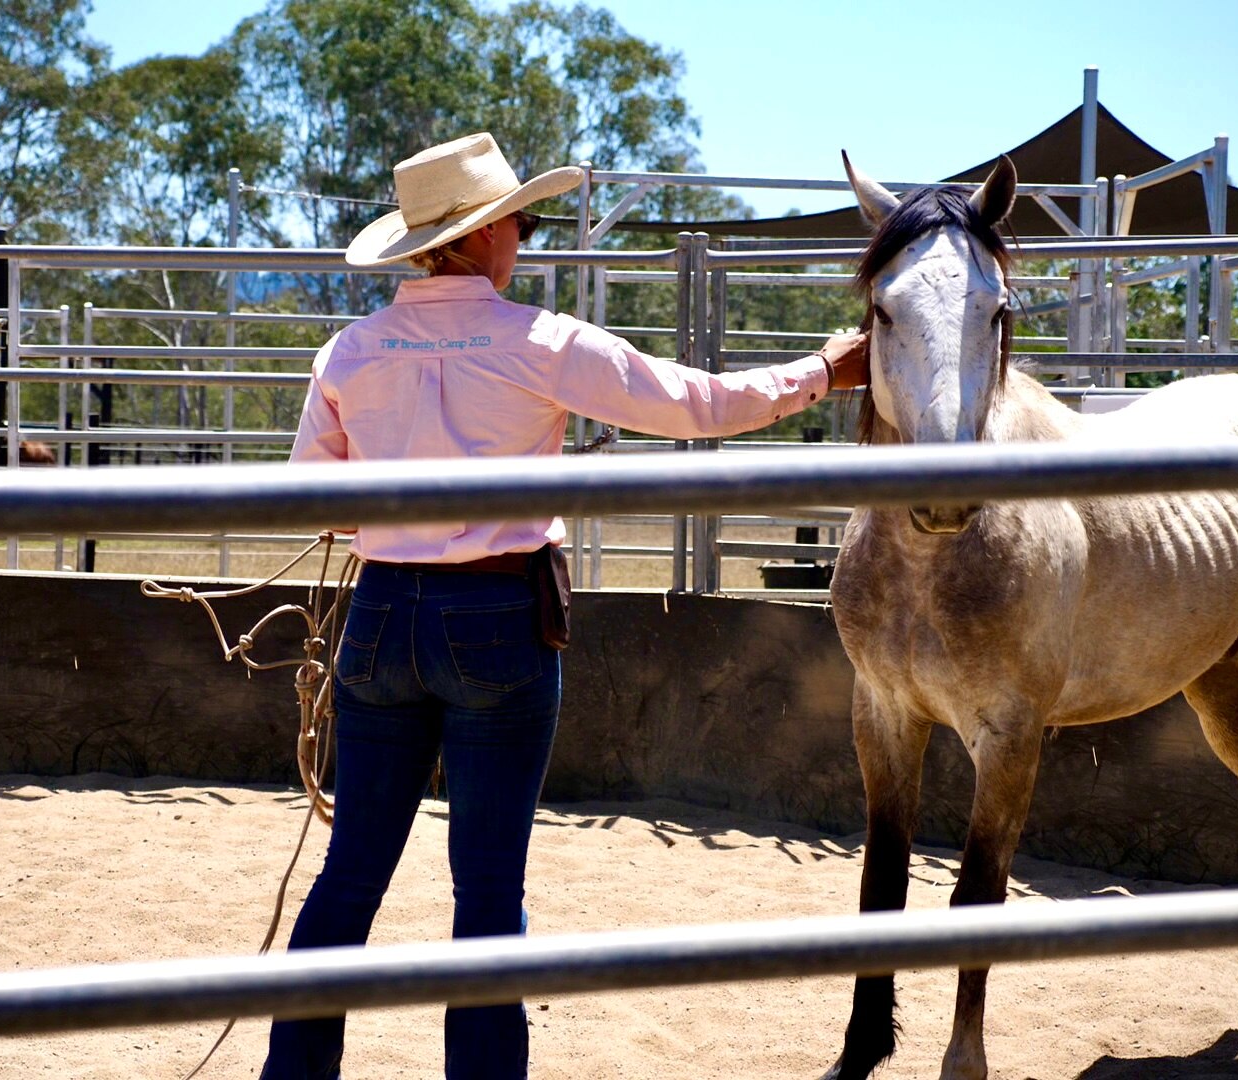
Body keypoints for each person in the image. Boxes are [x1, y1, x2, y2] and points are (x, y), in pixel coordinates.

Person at [262, 132, 867, 1080]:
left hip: (381, 619)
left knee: (350, 877)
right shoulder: (543, 343)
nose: (526, 238)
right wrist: (822, 373)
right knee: (490, 894)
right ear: (487, 233)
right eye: (522, 222)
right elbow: (700, 404)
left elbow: (318, 506)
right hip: (499, 618)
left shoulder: (352, 350)